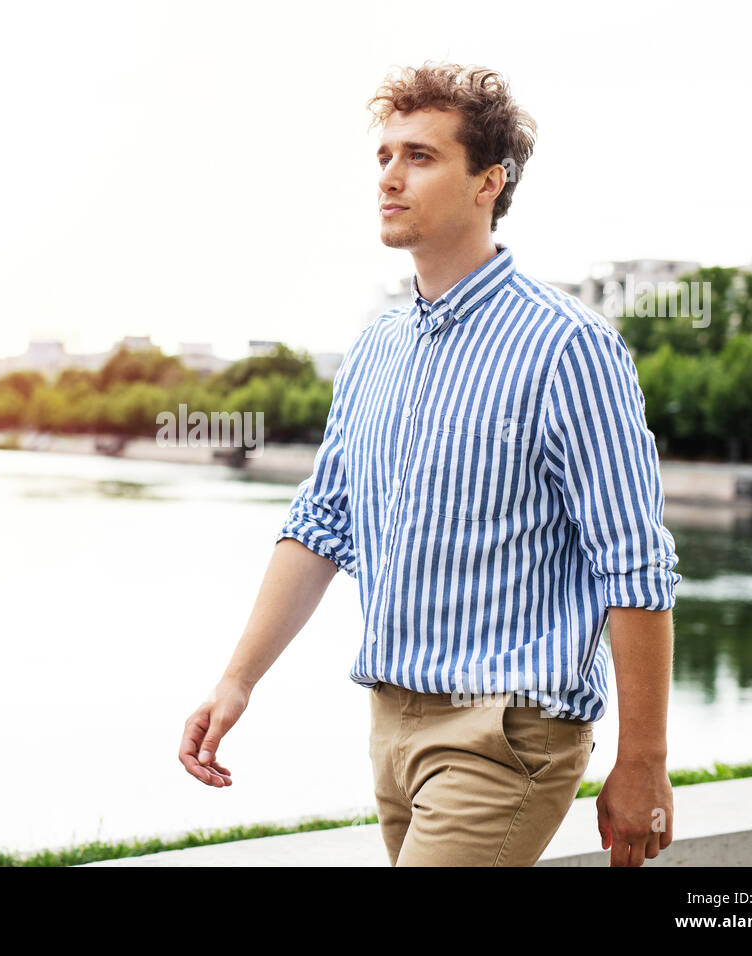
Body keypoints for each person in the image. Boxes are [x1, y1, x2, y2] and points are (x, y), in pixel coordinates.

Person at [178, 61, 681, 867]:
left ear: (489, 181)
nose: (389, 177)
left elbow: (634, 565)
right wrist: (238, 680)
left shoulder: (569, 347)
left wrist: (644, 761)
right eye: (383, 157)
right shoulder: (376, 346)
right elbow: (321, 523)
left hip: (507, 732)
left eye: (419, 156)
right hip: (391, 721)